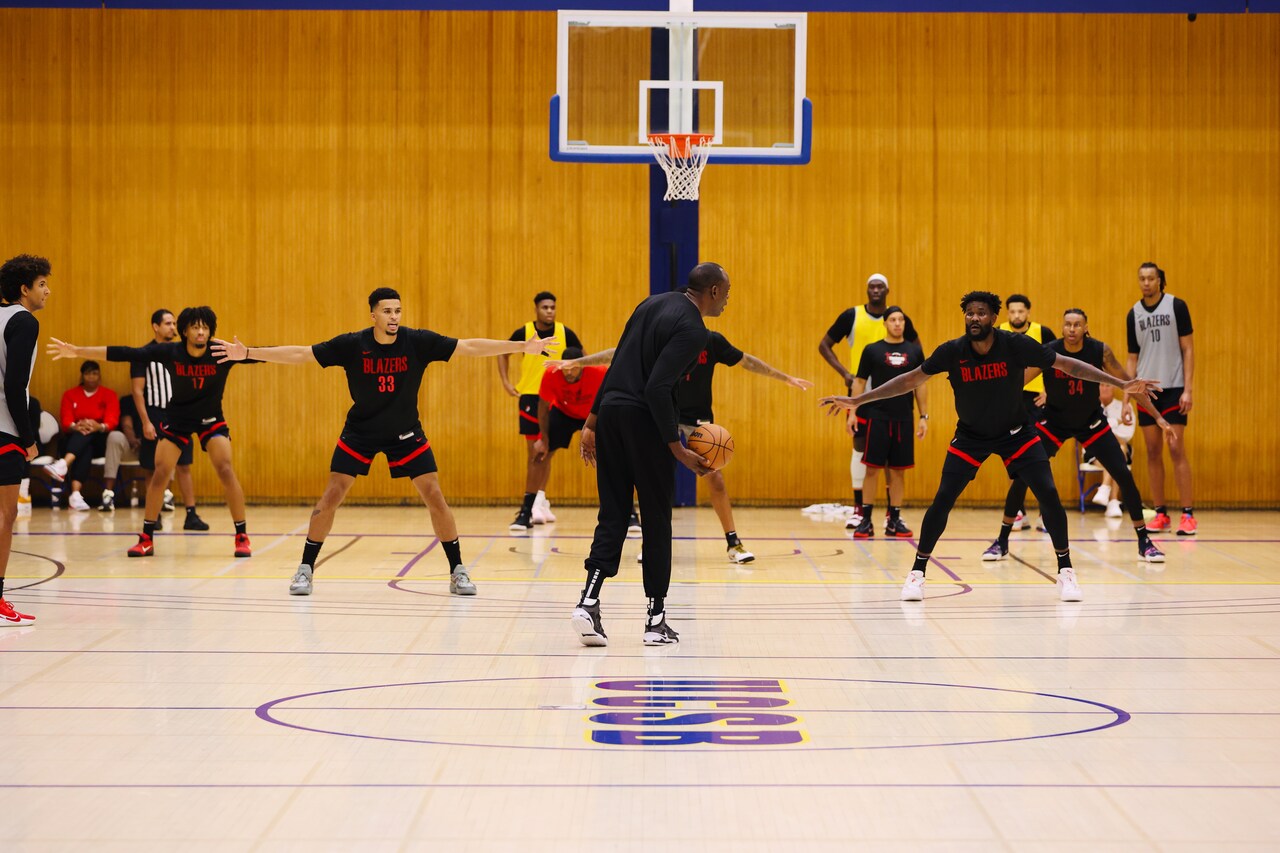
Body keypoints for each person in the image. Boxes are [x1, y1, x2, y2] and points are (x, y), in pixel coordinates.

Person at [211, 287, 558, 598]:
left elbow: (468, 346)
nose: (394, 317)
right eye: (387, 311)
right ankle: (305, 569)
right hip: (360, 432)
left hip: (406, 432)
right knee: (332, 494)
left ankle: (457, 571)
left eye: (398, 311)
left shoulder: (417, 341)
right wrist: (248, 353)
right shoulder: (352, 344)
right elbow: (302, 354)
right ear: (373, 315)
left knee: (434, 494)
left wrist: (520, 347)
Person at [820, 291, 1159, 604]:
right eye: (969, 313)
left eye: (981, 313)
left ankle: (1065, 571)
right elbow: (910, 379)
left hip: (1016, 433)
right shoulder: (952, 351)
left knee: (1048, 493)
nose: (974, 318)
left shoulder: (1016, 344)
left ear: (994, 318)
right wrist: (858, 398)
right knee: (943, 499)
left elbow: (1067, 364)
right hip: (971, 436)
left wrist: (1120, 383)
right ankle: (917, 572)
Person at [571, 263, 729, 647]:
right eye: (726, 291)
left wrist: (591, 422)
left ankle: (588, 602)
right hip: (645, 422)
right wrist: (676, 449)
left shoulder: (649, 304)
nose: (727, 299)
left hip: (611, 415)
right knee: (657, 520)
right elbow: (658, 388)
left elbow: (616, 364)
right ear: (711, 291)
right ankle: (655, 620)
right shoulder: (695, 330)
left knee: (613, 513)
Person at [566, 331, 812, 564]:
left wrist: (785, 377)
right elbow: (616, 354)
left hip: (698, 418)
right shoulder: (662, 338)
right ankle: (649, 545)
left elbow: (746, 361)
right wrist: (579, 362)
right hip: (661, 415)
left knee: (716, 480)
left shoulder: (711, 341)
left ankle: (733, 543)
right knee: (655, 481)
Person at [48, 307, 255, 558]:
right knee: (160, 473)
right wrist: (78, 351)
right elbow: (125, 353)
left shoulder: (221, 352)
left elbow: (267, 353)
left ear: (211, 331)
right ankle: (146, 538)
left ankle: (241, 535)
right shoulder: (171, 351)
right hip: (177, 419)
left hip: (210, 419)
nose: (201, 331)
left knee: (224, 467)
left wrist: (311, 353)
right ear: (185, 331)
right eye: (195, 327)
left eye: (205, 327)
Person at [982, 308, 1175, 564]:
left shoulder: (1099, 351)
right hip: (1054, 422)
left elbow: (1131, 384)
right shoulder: (1049, 350)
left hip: (1091, 423)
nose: (1072, 329)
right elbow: (1017, 381)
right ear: (1062, 328)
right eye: (1068, 325)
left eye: (1077, 325)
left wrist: (1159, 417)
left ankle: (1144, 542)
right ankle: (1002, 540)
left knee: (1123, 475)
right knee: (1021, 476)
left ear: (1085, 328)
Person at [498, 292, 582, 531]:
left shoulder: (565, 332)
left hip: (557, 399)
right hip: (531, 397)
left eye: (553, 307)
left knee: (546, 452)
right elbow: (503, 352)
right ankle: (535, 501)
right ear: (536, 309)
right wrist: (505, 381)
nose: (550, 311)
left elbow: (583, 358)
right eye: (545, 307)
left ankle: (539, 499)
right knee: (535, 453)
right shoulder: (524, 332)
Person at [0, 254, 51, 627]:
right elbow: (15, 385)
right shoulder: (24, 321)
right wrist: (29, 438)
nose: (48, 291)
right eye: (43, 284)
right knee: (5, 515)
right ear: (24, 289)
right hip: (4, 428)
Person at [818, 273, 892, 529]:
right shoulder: (852, 316)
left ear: (887, 290)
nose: (875, 290)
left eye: (879, 286)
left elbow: (915, 350)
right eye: (871, 286)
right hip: (860, 391)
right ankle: (859, 509)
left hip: (889, 393)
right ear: (866, 290)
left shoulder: (894, 317)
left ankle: (892, 513)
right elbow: (824, 345)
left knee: (889, 452)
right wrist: (845, 374)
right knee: (859, 446)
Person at [848, 306, 928, 539]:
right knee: (872, 469)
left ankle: (894, 519)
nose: (897, 323)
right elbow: (860, 381)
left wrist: (924, 417)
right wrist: (853, 411)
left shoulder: (914, 352)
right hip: (877, 418)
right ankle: (866, 520)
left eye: (901, 320)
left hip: (903, 418)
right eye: (892, 319)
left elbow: (921, 385)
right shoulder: (872, 350)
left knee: (898, 472)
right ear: (885, 323)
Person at [1127, 263, 1195, 535]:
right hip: (1146, 390)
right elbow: (1132, 357)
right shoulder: (1133, 313)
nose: (1146, 283)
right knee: (1153, 452)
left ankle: (1188, 514)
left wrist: (1188, 389)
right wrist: (1125, 397)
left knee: (1176, 450)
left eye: (1151, 278)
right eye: (1141, 278)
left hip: (1174, 386)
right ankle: (1161, 513)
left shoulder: (1176, 306)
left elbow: (1188, 349)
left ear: (1160, 281)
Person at [130, 309, 206, 527]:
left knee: (184, 465)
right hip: (154, 413)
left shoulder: (182, 352)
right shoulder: (143, 354)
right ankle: (154, 515)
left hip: (180, 414)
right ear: (156, 326)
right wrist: (145, 421)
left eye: (174, 323)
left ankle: (191, 514)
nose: (173, 327)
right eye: (168, 323)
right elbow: (137, 391)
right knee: (152, 467)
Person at [999, 294, 1056, 529]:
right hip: (1009, 401)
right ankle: (1018, 511)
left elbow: (1057, 363)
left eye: (1020, 311)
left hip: (1036, 402)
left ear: (1028, 312)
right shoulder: (998, 332)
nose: (1016, 316)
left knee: (1039, 456)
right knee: (1013, 456)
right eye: (1012, 312)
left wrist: (1050, 392)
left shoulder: (1043, 333)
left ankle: (1045, 512)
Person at [530, 347, 607, 509]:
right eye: (566, 368)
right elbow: (543, 408)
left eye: (574, 368)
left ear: (583, 366)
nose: (569, 372)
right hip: (564, 412)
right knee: (542, 454)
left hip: (593, 414)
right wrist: (543, 438)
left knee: (610, 457)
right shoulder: (552, 373)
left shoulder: (599, 372)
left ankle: (628, 512)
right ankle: (532, 506)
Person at [44, 361, 119, 510]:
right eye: (87, 373)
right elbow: (66, 421)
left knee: (88, 434)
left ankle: (64, 464)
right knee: (85, 444)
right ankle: (76, 495)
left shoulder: (109, 394)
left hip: (100, 440)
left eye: (94, 373)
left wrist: (97, 426)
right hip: (75, 438)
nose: (91, 377)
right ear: (82, 376)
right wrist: (76, 426)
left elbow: (112, 421)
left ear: (99, 375)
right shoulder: (70, 395)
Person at [1093, 384, 1136, 517]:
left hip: (1120, 449)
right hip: (1094, 451)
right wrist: (1115, 425)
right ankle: (1113, 501)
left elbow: (1127, 434)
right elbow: (1089, 432)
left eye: (1108, 385)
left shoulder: (1124, 407)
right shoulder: (1090, 406)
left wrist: (1105, 433)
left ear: (1114, 388)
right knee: (1113, 451)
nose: (1105, 388)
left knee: (1117, 449)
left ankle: (1106, 489)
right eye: (1101, 385)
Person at [100, 393, 143, 510]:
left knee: (168, 441)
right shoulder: (128, 400)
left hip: (154, 447)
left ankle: (166, 495)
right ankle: (108, 494)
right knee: (114, 436)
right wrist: (133, 440)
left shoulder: (160, 399)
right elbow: (126, 424)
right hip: (132, 448)